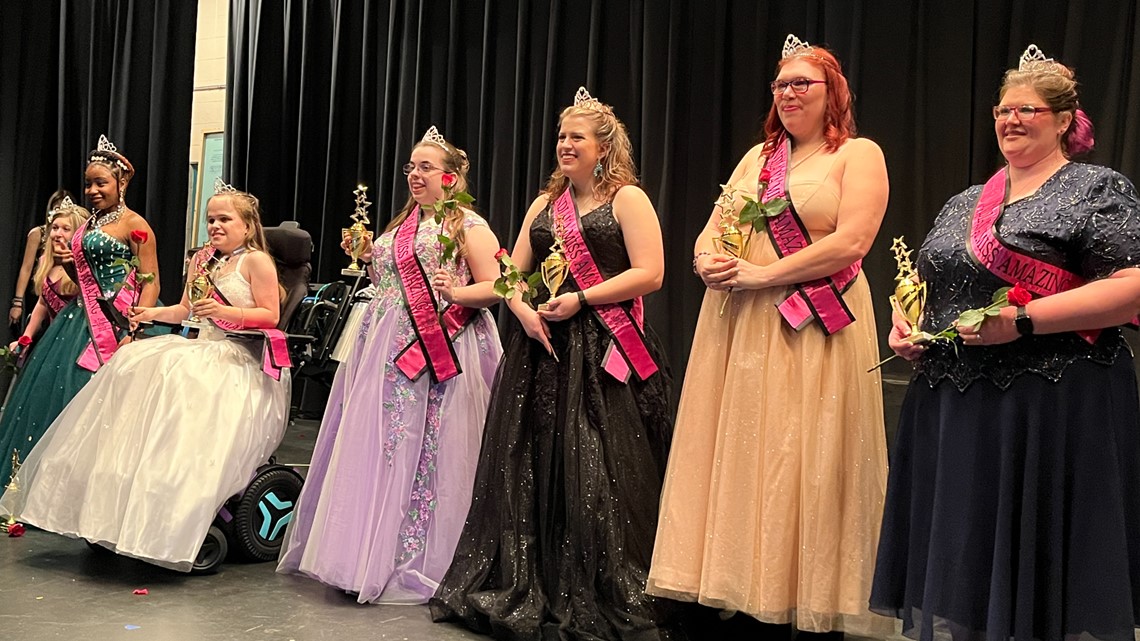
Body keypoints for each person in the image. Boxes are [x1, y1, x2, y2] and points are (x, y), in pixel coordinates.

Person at [869, 45, 1140, 641]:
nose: (1010, 120)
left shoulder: (1097, 188)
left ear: (1065, 120)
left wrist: (1022, 322)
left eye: (1028, 110)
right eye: (1002, 110)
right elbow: (931, 283)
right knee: (968, 562)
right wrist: (906, 326)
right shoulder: (967, 200)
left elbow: (1131, 290)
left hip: (1050, 405)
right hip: (957, 405)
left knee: (1044, 567)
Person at [646, 35, 891, 640]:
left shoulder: (858, 155)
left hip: (815, 325)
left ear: (832, 90)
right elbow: (713, 231)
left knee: (803, 455)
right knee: (744, 449)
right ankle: (737, 588)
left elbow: (852, 242)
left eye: (801, 83)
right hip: (742, 326)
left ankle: (802, 598)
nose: (787, 94)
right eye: (781, 85)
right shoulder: (758, 160)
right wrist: (707, 261)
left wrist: (763, 273)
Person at [430, 88, 681, 640]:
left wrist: (583, 300)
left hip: (602, 346)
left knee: (598, 465)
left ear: (603, 147)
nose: (565, 145)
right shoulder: (545, 206)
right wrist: (517, 310)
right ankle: (542, 577)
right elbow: (509, 274)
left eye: (577, 137)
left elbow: (652, 273)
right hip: (542, 349)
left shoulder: (628, 199)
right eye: (561, 136)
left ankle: (602, 581)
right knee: (539, 460)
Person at [0, 182, 290, 571]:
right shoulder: (203, 259)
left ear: (248, 225)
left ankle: (179, 505)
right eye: (210, 219)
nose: (215, 226)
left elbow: (269, 316)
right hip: (203, 346)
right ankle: (118, 502)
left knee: (179, 376)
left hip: (240, 354)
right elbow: (185, 310)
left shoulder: (256, 261)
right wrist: (151, 314)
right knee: (132, 362)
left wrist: (229, 314)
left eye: (225, 219)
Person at [277, 126, 504, 604]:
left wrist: (455, 292)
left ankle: (413, 558)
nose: (415, 175)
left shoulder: (469, 225)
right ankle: (361, 552)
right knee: (379, 446)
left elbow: (498, 286)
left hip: (443, 343)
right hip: (382, 346)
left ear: (453, 176)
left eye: (426, 167)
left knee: (429, 450)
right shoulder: (401, 224)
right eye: (411, 167)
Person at [0, 135, 158, 484]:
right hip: (79, 318)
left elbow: (151, 282)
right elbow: (85, 277)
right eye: (88, 184)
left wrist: (135, 330)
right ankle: (41, 485)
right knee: (55, 396)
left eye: (101, 183)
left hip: (118, 320)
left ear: (122, 182)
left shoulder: (135, 225)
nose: (92, 190)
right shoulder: (90, 225)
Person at [7, 189, 72, 330]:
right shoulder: (39, 234)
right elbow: (26, 268)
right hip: (43, 293)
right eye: (57, 209)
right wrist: (17, 302)